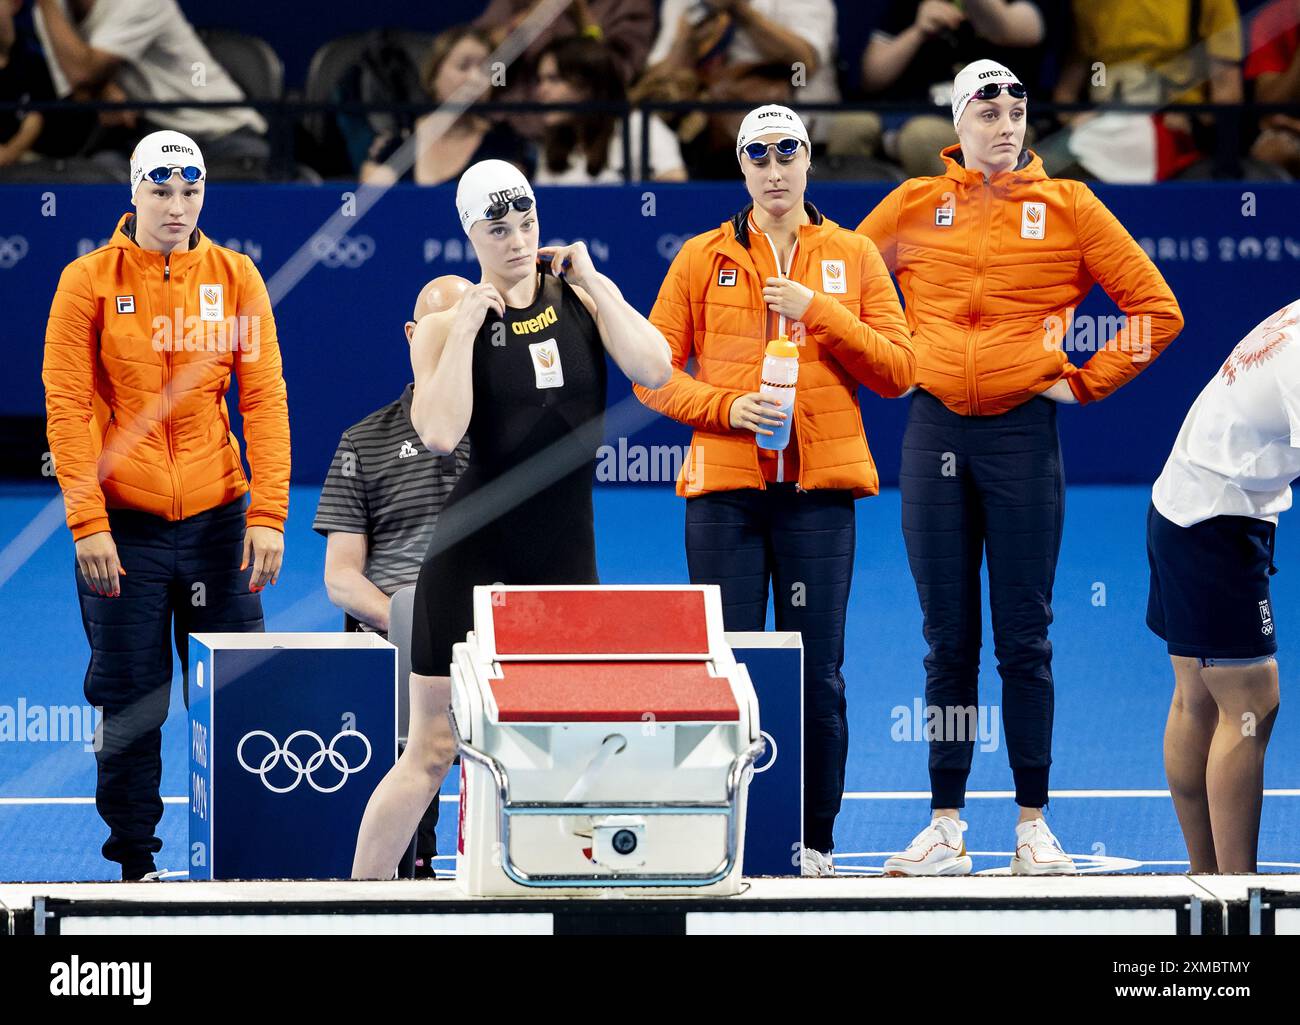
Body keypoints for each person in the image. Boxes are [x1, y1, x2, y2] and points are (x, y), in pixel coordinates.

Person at [857, 61, 1183, 876]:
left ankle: (1033, 824)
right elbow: (844, 288)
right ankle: (946, 826)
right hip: (932, 431)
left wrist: (1084, 380)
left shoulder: (1070, 206)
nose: (1006, 122)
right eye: (988, 109)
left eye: (1017, 108)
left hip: (1021, 437)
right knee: (947, 642)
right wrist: (892, 357)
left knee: (1025, 639)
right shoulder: (910, 204)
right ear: (957, 123)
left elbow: (1158, 311)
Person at [350, 159, 671, 878]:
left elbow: (654, 367)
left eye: (526, 222)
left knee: (570, 744)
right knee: (431, 749)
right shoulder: (443, 325)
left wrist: (595, 284)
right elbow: (438, 430)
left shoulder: (583, 297)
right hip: (471, 553)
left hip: (562, 556)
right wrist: (463, 326)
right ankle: (357, 907)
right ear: (472, 234)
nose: (520, 239)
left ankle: (548, 897)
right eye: (499, 228)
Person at [633, 105, 917, 875]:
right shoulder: (702, 256)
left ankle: (816, 841)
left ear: (808, 158)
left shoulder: (854, 256)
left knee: (818, 672)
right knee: (722, 667)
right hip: (725, 494)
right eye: (757, 154)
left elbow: (898, 370)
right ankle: (718, 835)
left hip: (818, 498)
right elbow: (652, 374)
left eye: (787, 149)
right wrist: (726, 407)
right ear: (742, 167)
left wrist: (817, 310)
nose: (774, 166)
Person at [42, 129, 289, 880]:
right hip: (124, 527)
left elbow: (264, 399)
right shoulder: (85, 281)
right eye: (160, 190)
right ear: (133, 192)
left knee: (239, 696)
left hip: (220, 522)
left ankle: (244, 858)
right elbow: (68, 407)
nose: (177, 206)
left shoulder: (237, 276)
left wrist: (270, 513)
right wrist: (87, 521)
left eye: (190, 190)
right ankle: (136, 865)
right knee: (131, 702)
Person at [314, 275, 471, 878]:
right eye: (439, 330)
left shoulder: (506, 435)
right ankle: (411, 868)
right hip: (397, 631)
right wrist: (413, 624)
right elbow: (342, 579)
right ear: (412, 335)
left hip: (489, 627)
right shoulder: (364, 439)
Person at [1149, 300, 1297, 874]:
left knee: (1200, 697)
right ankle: (1237, 893)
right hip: (1214, 523)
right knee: (1251, 702)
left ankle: (1207, 878)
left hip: (1182, 507)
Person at [33, 0, 269, 167]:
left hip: (220, 132)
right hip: (146, 139)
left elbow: (83, 74)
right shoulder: (49, 12)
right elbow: (79, 92)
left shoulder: (141, 2)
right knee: (97, 173)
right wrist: (101, 91)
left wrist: (97, 85)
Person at [857, 0, 1065, 178]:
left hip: (994, 118)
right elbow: (872, 77)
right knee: (849, 126)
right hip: (909, 110)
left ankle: (963, 218)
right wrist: (918, 31)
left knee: (920, 137)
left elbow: (1007, 30)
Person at [1049, 0, 1243, 181]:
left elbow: (1227, 89)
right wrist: (1073, 122)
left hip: (1170, 127)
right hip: (1099, 121)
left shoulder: (1210, 3)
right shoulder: (1086, 4)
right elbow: (1067, 90)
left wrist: (1199, 127)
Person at [359, 26, 535, 187]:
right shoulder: (397, 141)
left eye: (484, 69)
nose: (474, 78)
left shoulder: (504, 146)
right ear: (434, 75)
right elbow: (371, 205)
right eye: (463, 66)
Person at [532, 34, 686, 184]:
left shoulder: (639, 128)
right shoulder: (553, 142)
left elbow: (674, 196)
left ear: (589, 85)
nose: (541, 90)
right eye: (540, 80)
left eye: (553, 79)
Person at [1245, 0, 1300, 177]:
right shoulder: (1274, 18)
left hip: (1293, 125)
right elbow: (1268, 105)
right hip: (1290, 132)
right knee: (1271, 152)